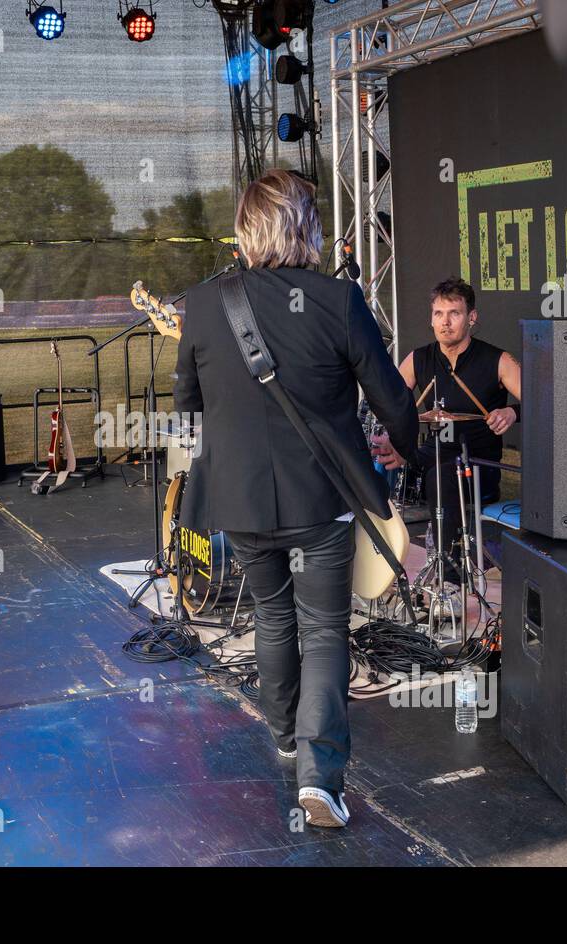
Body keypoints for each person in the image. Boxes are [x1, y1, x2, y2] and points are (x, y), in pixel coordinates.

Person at [173, 169, 419, 827]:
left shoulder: (203, 303)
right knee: (323, 630)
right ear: (307, 227)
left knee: (275, 619)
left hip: (242, 503)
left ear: (246, 230)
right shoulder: (338, 301)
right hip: (321, 501)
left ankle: (285, 738)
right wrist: (404, 450)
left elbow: (187, 403)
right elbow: (393, 400)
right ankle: (320, 779)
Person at [371, 276, 521, 575]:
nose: (445, 322)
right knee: (373, 455)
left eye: (454, 313)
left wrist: (512, 411)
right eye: (438, 313)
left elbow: (543, 402)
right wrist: (394, 441)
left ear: (472, 317)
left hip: (476, 461)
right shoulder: (419, 359)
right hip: (430, 453)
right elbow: (391, 404)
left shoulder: (497, 360)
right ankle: (371, 561)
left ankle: (448, 575)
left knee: (442, 474)